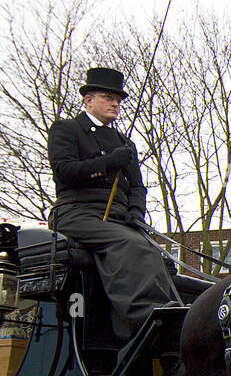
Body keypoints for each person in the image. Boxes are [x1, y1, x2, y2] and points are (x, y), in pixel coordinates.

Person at [47, 67, 178, 344]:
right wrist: (107, 163)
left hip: (117, 219)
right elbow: (64, 171)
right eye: (108, 97)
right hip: (76, 212)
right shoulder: (67, 129)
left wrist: (135, 211)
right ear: (88, 100)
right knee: (132, 246)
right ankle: (147, 322)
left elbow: (138, 186)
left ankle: (176, 314)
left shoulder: (124, 143)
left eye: (118, 99)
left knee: (158, 255)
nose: (115, 103)